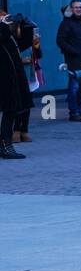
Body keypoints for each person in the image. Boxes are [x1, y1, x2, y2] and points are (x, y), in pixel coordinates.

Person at [0, 12, 33, 160]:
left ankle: (5, 145)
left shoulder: (7, 33)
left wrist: (26, 25)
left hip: (11, 79)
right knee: (9, 111)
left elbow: (23, 43)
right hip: (4, 79)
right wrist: (3, 25)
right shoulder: (3, 32)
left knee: (11, 111)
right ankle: (6, 146)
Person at [57, 0, 81, 122]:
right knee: (74, 87)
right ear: (71, 9)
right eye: (76, 7)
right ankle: (74, 112)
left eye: (80, 7)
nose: (79, 9)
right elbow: (60, 41)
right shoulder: (66, 23)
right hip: (74, 60)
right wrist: (74, 51)